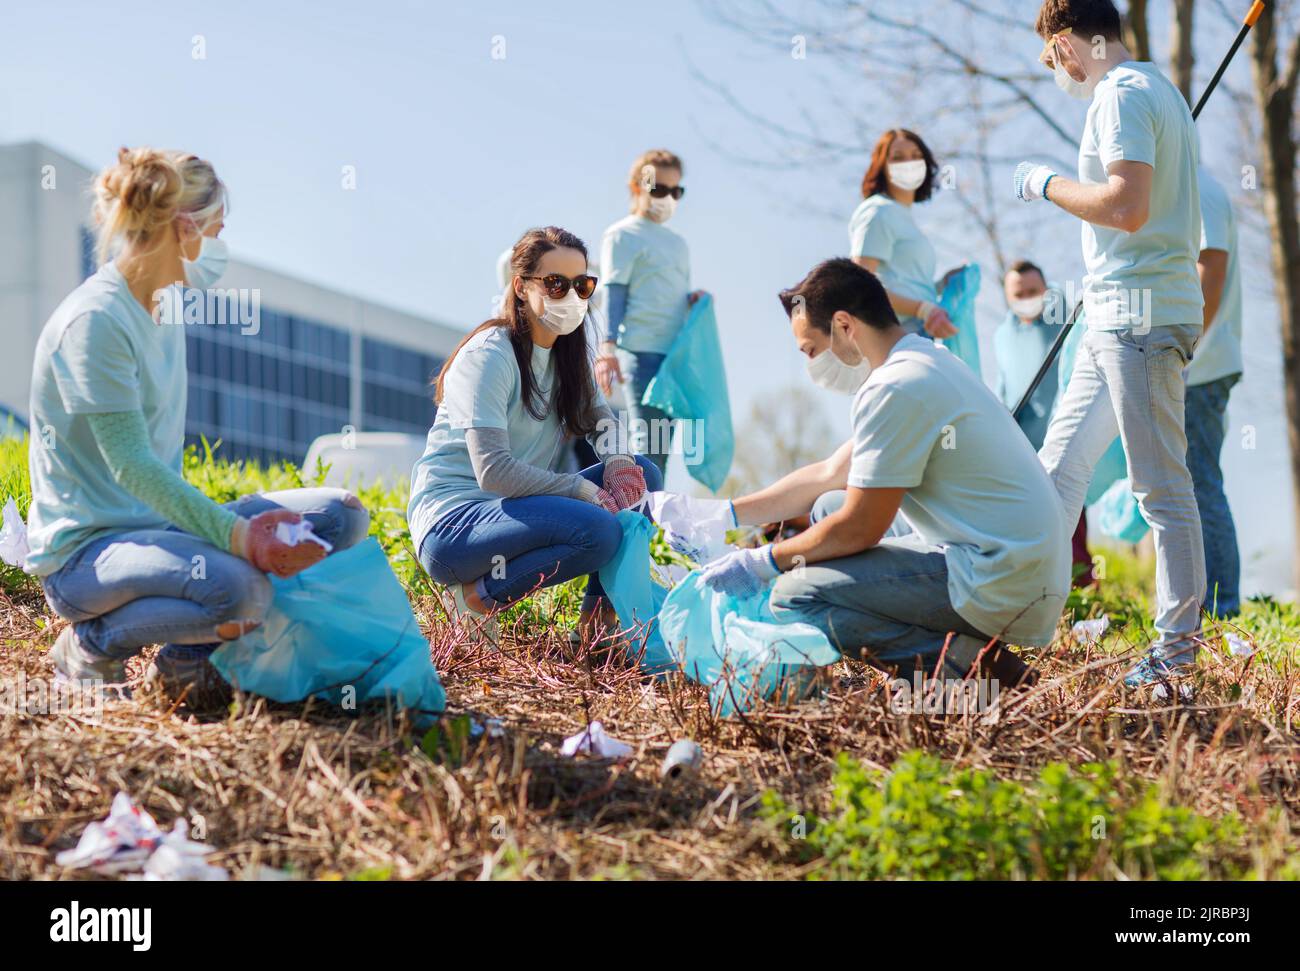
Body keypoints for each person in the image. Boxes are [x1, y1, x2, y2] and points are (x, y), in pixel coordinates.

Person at [25, 147, 367, 706]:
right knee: (242, 594)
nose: (219, 246)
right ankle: (90, 644)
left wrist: (241, 534)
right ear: (185, 229)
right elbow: (131, 464)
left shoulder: (164, 308)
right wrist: (240, 537)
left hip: (157, 537)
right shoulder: (96, 322)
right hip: (86, 557)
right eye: (215, 230)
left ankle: (182, 663)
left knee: (339, 516)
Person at [692, 259, 1070, 683]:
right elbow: (829, 474)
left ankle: (979, 668)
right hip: (1022, 563)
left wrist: (762, 562)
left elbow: (859, 530)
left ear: (844, 325)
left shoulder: (894, 387)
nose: (815, 365)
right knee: (827, 505)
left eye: (813, 350)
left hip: (1002, 577)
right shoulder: (925, 361)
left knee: (794, 595)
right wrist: (722, 514)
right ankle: (943, 643)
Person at [1015, 0, 1205, 687]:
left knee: (1162, 490)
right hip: (1114, 317)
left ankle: (1176, 661)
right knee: (1058, 471)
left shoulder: (1121, 96)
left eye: (1049, 56)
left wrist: (1045, 183)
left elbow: (1127, 207)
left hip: (1142, 320)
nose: (1054, 70)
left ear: (1067, 44)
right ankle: (1017, 618)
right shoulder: (1162, 91)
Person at [408, 226, 660, 647]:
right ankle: (479, 596)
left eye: (583, 285)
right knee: (599, 530)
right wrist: (578, 489)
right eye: (556, 284)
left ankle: (597, 633)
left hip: (513, 511)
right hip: (452, 526)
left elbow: (601, 421)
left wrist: (617, 464)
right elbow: (492, 472)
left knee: (643, 475)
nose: (572, 297)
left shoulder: (566, 357)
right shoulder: (490, 355)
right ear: (521, 287)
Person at [593, 149, 707, 476]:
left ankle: (649, 519)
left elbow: (666, 295)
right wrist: (607, 349)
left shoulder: (679, 244)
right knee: (648, 448)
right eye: (659, 188)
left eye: (676, 191)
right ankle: (636, 521)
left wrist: (691, 301)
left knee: (662, 450)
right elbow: (616, 292)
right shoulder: (622, 235)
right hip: (641, 353)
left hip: (674, 357)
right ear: (636, 187)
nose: (667, 198)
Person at [994, 260, 1094, 585]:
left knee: (1071, 521)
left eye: (1033, 291)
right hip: (1024, 450)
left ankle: (1081, 591)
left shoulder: (1067, 321)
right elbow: (1005, 387)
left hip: (1065, 439)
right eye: (1018, 293)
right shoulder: (1003, 336)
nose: (1026, 298)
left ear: (1047, 291)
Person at [1186, 165, 1243, 617]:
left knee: (1201, 484)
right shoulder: (1190, 186)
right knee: (1194, 485)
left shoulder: (1199, 188)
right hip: (1201, 363)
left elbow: (1212, 268)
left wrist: (1182, 351)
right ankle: (1206, 602)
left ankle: (1222, 607)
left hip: (1200, 367)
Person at [848, 128, 965, 341]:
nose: (909, 163)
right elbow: (860, 288)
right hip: (892, 338)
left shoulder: (902, 216)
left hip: (915, 334)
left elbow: (903, 282)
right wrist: (923, 309)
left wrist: (939, 286)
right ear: (882, 167)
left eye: (916, 156)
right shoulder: (878, 212)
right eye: (898, 158)